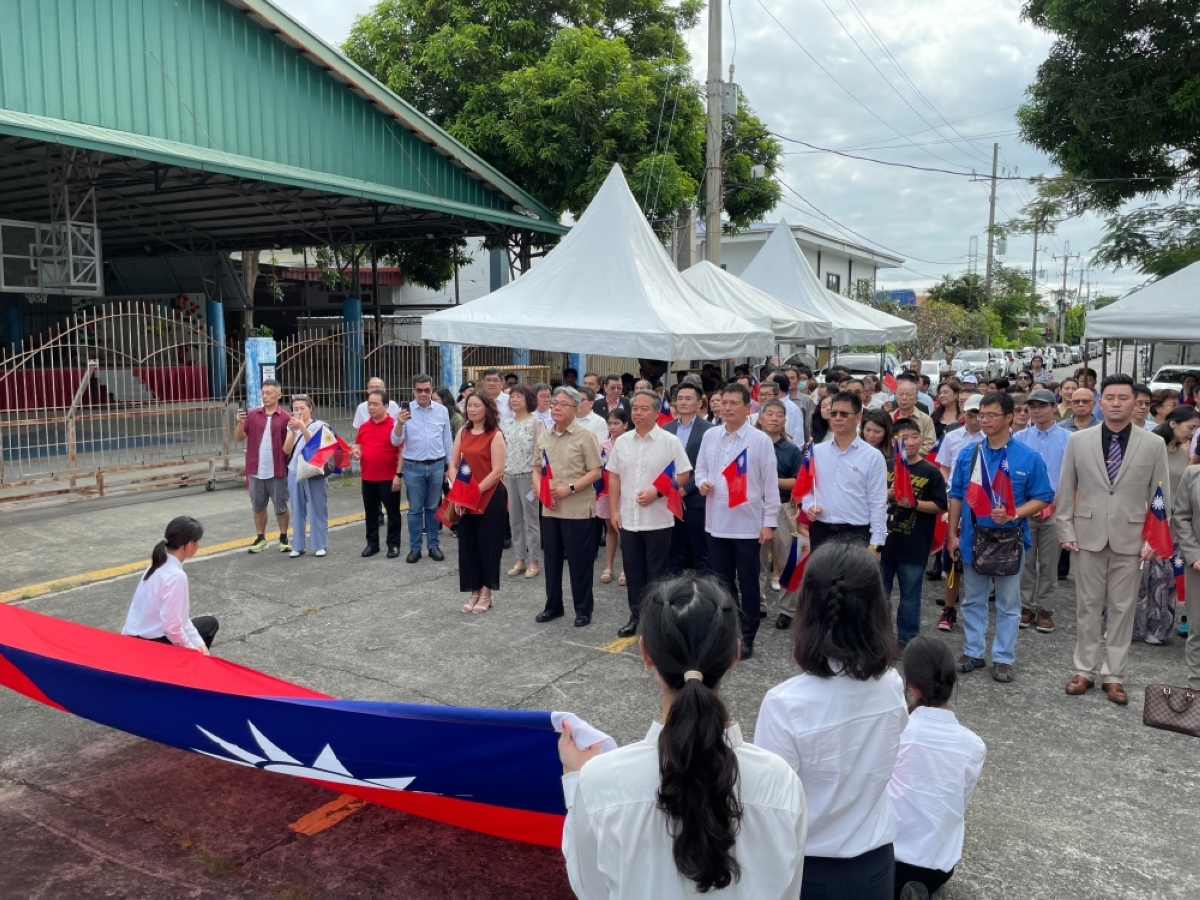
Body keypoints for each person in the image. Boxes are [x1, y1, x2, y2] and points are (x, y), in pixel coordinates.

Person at [559, 575, 807, 899]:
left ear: (645, 652)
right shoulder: (781, 783)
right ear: (735, 653)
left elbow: (589, 889)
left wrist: (576, 780)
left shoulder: (599, 782)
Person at [755, 541, 907, 900]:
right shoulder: (891, 686)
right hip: (877, 865)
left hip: (810, 870)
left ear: (807, 609)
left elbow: (771, 807)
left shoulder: (785, 704)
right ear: (878, 610)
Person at [1058, 373, 1171, 705]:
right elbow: (1066, 489)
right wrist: (1065, 529)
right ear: (1100, 402)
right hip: (1087, 534)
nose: (1117, 403)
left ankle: (1115, 674)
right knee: (1087, 607)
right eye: (1110, 397)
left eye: (1124, 398)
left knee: (1123, 609)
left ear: (1135, 402)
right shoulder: (1078, 441)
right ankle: (1084, 669)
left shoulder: (1153, 443)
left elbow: (1161, 494)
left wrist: (1156, 538)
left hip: (1132, 537)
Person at [946, 392, 1053, 683]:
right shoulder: (970, 454)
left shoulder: (1027, 457)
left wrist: (1015, 513)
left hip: (1009, 540)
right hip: (973, 538)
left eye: (992, 415)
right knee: (973, 600)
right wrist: (951, 535)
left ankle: (1004, 657)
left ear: (1009, 418)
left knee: (1008, 604)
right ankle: (973, 650)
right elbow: (956, 495)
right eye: (982, 415)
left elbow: (1043, 497)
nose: (985, 420)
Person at [888, 637, 987, 900]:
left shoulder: (897, 732)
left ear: (911, 685)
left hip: (890, 857)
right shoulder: (974, 745)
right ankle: (918, 887)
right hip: (939, 866)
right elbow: (959, 805)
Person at [693, 383, 780, 658]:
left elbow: (770, 486)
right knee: (722, 582)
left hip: (748, 525)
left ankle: (748, 634)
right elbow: (700, 469)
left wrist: (769, 523)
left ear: (747, 407)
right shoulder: (711, 436)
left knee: (749, 583)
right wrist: (702, 483)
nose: (727, 408)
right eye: (723, 402)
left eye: (733, 403)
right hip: (716, 522)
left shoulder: (760, 440)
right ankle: (727, 630)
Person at [607, 392, 693, 638]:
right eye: (635, 408)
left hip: (658, 519)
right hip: (628, 518)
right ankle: (636, 616)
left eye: (644, 409)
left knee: (657, 573)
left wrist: (657, 492)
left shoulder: (669, 441)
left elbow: (684, 474)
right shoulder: (622, 441)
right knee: (633, 571)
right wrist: (614, 510)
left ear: (657, 412)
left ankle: (655, 621)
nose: (638, 413)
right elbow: (613, 476)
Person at [534, 387, 604, 627]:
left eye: (563, 404)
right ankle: (553, 606)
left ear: (575, 409)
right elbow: (536, 468)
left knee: (579, 562)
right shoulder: (544, 435)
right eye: (554, 403)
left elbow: (596, 471)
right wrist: (541, 491)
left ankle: (583, 609)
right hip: (550, 508)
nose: (557, 407)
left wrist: (571, 488)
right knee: (551, 561)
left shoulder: (585, 436)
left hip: (577, 509)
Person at [1135, 406, 1200, 643]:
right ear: (1173, 423)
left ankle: (1158, 628)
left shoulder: (1184, 450)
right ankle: (1132, 626)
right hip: (1147, 519)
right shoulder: (1151, 446)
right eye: (1190, 427)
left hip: (1172, 522)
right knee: (1139, 576)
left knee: (1166, 577)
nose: (1193, 432)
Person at [883, 419, 948, 648]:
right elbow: (868, 501)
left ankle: (907, 640)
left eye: (914, 436)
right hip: (883, 545)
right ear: (893, 441)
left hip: (914, 546)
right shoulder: (886, 465)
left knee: (910, 600)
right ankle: (880, 639)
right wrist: (887, 495)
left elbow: (941, 505)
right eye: (903, 437)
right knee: (880, 597)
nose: (909, 442)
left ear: (921, 438)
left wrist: (915, 503)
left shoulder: (930, 472)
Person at [800, 391, 888, 554]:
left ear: (858, 417)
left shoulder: (873, 457)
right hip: (821, 530)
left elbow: (878, 502)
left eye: (844, 414)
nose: (837, 418)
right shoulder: (816, 451)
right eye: (833, 413)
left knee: (853, 579)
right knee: (821, 579)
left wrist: (876, 543)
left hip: (856, 534)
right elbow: (805, 489)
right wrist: (809, 505)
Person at [1014, 388, 1070, 634]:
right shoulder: (1021, 437)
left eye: (1042, 406)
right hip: (1027, 507)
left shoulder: (1068, 438)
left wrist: (1055, 503)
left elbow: (1072, 477)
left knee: (1048, 564)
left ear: (1054, 407)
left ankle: (1045, 608)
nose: (1036, 411)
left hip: (1056, 507)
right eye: (1032, 407)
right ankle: (1025, 606)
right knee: (1025, 562)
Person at [122, 517, 218, 652]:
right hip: (152, 645)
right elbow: (172, 627)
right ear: (190, 544)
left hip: (133, 638)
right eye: (198, 541)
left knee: (208, 624)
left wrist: (198, 642)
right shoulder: (176, 576)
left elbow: (180, 619)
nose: (199, 544)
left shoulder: (156, 565)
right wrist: (192, 650)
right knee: (209, 626)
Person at [451, 392, 507, 613]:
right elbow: (453, 465)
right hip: (464, 497)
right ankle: (474, 591)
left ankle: (486, 592)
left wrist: (472, 493)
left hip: (490, 497)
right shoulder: (463, 432)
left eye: (477, 406)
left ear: (487, 409)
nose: (472, 409)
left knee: (488, 546)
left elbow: (497, 471)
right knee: (468, 546)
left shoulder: (495, 435)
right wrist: (460, 493)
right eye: (469, 405)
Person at [934, 394, 987, 631]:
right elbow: (944, 467)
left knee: (982, 562)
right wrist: (948, 495)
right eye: (971, 414)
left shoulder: (992, 439)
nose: (975, 419)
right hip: (956, 502)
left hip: (983, 507)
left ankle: (978, 611)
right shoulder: (952, 437)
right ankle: (949, 608)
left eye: (979, 414)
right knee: (953, 559)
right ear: (963, 413)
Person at [754, 399, 803, 630]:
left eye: (779, 415)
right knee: (756, 560)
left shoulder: (791, 450)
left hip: (784, 508)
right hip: (755, 508)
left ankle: (787, 610)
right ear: (760, 419)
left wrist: (769, 480)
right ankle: (757, 604)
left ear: (784, 421)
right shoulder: (751, 443)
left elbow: (797, 482)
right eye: (770, 414)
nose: (774, 418)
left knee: (786, 560)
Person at [395, 374, 453, 564]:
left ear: (431, 390)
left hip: (437, 466)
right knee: (414, 510)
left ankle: (434, 546)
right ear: (413, 391)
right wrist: (399, 424)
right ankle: (415, 548)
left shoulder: (442, 411)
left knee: (433, 508)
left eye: (427, 390)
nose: (423, 394)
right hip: (413, 467)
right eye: (419, 390)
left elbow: (447, 441)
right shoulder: (406, 411)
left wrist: (449, 467)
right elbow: (395, 441)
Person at [234, 379, 292, 554]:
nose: (265, 396)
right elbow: (238, 438)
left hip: (278, 468)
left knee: (280, 505)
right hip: (255, 469)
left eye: (269, 393)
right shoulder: (252, 415)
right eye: (263, 393)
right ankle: (261, 537)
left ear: (279, 395)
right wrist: (238, 422)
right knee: (258, 505)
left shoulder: (286, 417)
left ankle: (283, 537)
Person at [663, 383, 713, 575]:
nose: (683, 402)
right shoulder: (666, 429)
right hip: (669, 498)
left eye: (688, 398)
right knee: (673, 550)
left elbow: (708, 466)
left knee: (701, 552)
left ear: (699, 403)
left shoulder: (709, 430)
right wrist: (671, 489)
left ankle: (704, 596)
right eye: (680, 398)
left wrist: (685, 488)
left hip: (696, 499)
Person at [351, 389, 404, 558]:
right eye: (369, 404)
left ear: (386, 406)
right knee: (371, 513)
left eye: (376, 404)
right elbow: (358, 445)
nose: (371, 407)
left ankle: (393, 545)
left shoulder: (394, 426)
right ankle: (372, 544)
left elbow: (402, 452)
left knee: (393, 514)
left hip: (389, 478)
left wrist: (398, 475)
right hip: (368, 477)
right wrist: (356, 452)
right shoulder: (364, 427)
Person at [502, 384, 544, 580]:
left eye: (519, 396)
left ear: (528, 399)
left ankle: (534, 560)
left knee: (531, 520)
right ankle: (520, 558)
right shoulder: (506, 424)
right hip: (510, 476)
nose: (514, 399)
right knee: (514, 520)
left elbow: (541, 451)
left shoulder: (536, 422)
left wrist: (538, 480)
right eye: (512, 396)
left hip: (529, 477)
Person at [281, 394, 329, 558]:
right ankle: (298, 545)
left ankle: (320, 544)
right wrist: (294, 432)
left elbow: (316, 447)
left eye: (302, 408)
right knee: (297, 508)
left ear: (310, 409)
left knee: (317, 508)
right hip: (295, 471)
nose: (299, 412)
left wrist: (302, 428)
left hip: (313, 470)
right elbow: (286, 450)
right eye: (295, 409)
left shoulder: (320, 425)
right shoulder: (291, 427)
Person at [1172, 460, 1200, 689]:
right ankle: (1196, 688)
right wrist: (1194, 555)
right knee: (1198, 629)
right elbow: (1181, 517)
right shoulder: (1192, 474)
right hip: (1198, 565)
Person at [597, 409, 629, 586]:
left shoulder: (629, 444)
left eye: (616, 423)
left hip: (624, 491)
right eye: (610, 423)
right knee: (609, 528)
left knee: (625, 530)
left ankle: (626, 568)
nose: (612, 426)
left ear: (625, 425)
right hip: (606, 492)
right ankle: (608, 566)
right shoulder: (603, 445)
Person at [892, 381, 936, 454]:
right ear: (896, 398)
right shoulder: (888, 417)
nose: (904, 398)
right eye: (900, 394)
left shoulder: (925, 419)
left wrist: (911, 455)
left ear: (916, 399)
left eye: (909, 394)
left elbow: (930, 444)